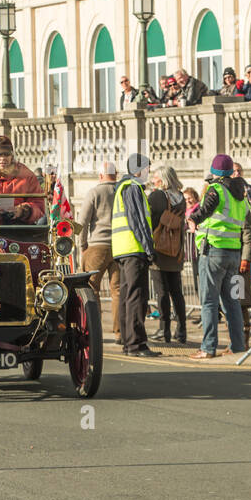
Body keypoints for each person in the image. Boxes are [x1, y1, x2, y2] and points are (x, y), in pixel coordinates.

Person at [190, 153, 251, 359]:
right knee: (232, 302)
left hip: (214, 251)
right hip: (233, 254)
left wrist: (192, 219)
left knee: (209, 301)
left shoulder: (216, 189)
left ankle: (208, 348)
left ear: (215, 172)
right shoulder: (240, 195)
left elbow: (206, 209)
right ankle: (237, 346)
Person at [111, 153, 160, 357]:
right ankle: (136, 344)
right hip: (134, 248)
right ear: (139, 170)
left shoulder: (123, 186)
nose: (149, 172)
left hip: (124, 249)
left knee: (126, 296)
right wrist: (149, 249)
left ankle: (127, 341)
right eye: (147, 168)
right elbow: (138, 221)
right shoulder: (133, 187)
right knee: (136, 297)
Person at [80, 161, 123, 342]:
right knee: (118, 291)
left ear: (100, 175)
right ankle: (120, 332)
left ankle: (94, 330)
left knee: (91, 289)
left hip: (97, 245)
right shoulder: (123, 191)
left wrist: (82, 245)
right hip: (120, 244)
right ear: (116, 174)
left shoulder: (94, 192)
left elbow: (83, 222)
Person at [147, 165, 189, 345]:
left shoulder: (157, 196)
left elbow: (149, 219)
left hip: (160, 248)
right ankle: (181, 331)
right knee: (177, 291)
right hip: (175, 248)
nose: (153, 181)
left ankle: (164, 330)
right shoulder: (181, 198)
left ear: (162, 179)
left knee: (162, 291)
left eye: (155, 178)